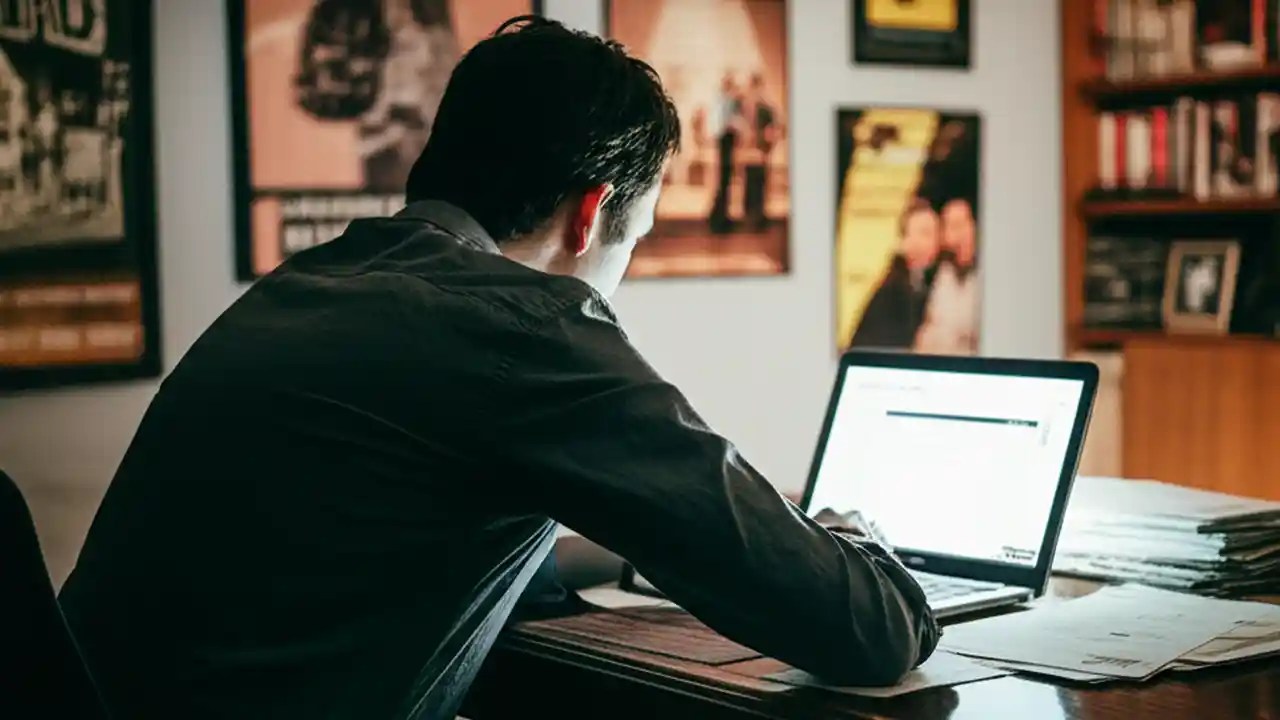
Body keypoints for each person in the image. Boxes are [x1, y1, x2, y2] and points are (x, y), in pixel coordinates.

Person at [59, 17, 937, 720]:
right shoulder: (524, 327)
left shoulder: (311, 285)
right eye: (639, 235)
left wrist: (678, 531)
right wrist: (844, 537)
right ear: (591, 215)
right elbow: (867, 629)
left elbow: (429, 521)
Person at [849, 198, 941, 349]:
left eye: (935, 234)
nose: (934, 241)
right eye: (925, 233)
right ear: (904, 239)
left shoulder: (926, 281)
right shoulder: (893, 291)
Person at [915, 198, 979, 355]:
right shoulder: (941, 274)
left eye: (959, 225)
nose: (953, 237)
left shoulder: (990, 277)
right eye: (948, 228)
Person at [707, 71, 741, 233]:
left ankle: (720, 217)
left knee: (725, 182)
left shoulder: (721, 100)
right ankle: (719, 219)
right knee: (724, 181)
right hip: (725, 142)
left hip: (725, 142)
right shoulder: (725, 101)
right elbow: (725, 124)